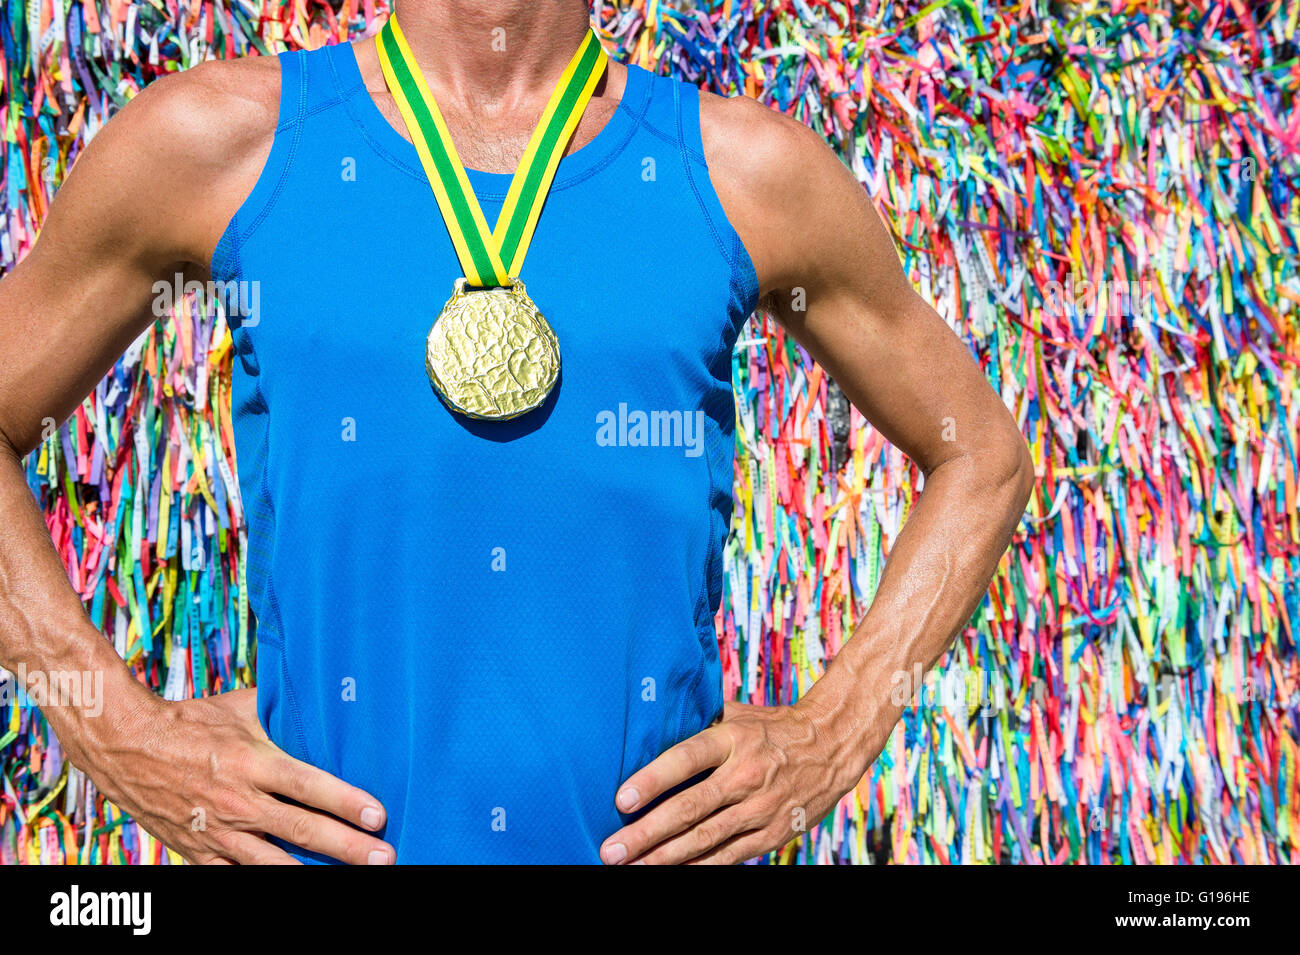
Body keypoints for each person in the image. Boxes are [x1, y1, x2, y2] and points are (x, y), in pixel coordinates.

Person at [0, 0, 1033, 864]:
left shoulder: (744, 172)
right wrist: (111, 728)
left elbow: (979, 453)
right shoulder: (220, 142)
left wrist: (838, 727)